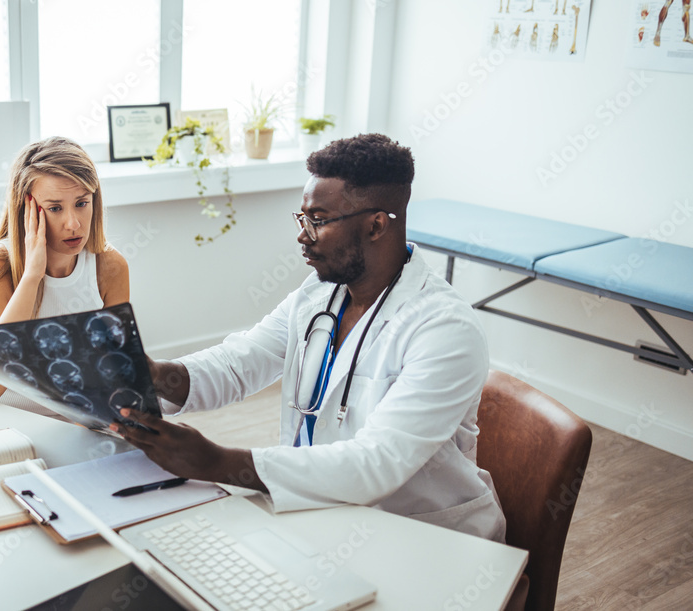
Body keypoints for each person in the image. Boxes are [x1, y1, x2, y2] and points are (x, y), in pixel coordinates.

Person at [112, 133, 506, 542]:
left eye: (318, 220)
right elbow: (238, 364)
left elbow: (378, 464)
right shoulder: (319, 294)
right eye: (302, 218)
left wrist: (216, 461)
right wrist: (152, 373)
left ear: (375, 225)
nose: (303, 235)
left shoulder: (445, 329)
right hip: (324, 513)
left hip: (423, 538)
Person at [0, 136, 129, 414]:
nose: (73, 224)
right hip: (1, 420)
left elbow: (113, 371)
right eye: (54, 208)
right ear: (26, 209)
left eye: (82, 203)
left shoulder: (110, 267)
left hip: (71, 421)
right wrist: (31, 277)